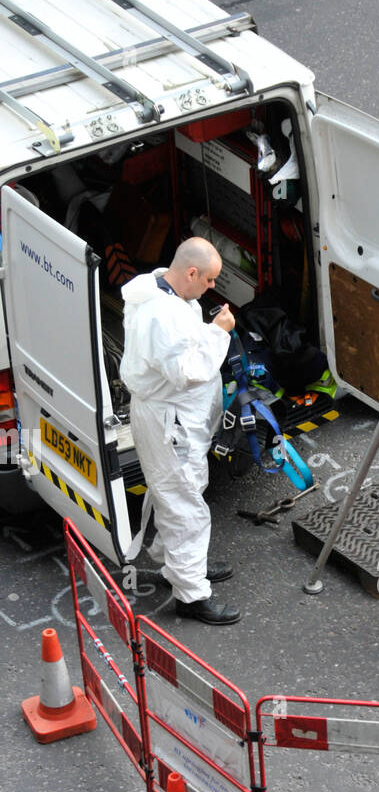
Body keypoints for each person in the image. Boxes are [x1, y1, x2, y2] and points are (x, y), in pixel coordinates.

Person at [120, 238, 241, 624]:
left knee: (178, 495)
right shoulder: (163, 315)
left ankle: (183, 568)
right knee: (185, 505)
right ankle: (191, 594)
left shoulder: (159, 288)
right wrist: (218, 332)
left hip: (170, 420)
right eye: (208, 280)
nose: (211, 288)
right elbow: (187, 372)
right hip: (171, 422)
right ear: (191, 272)